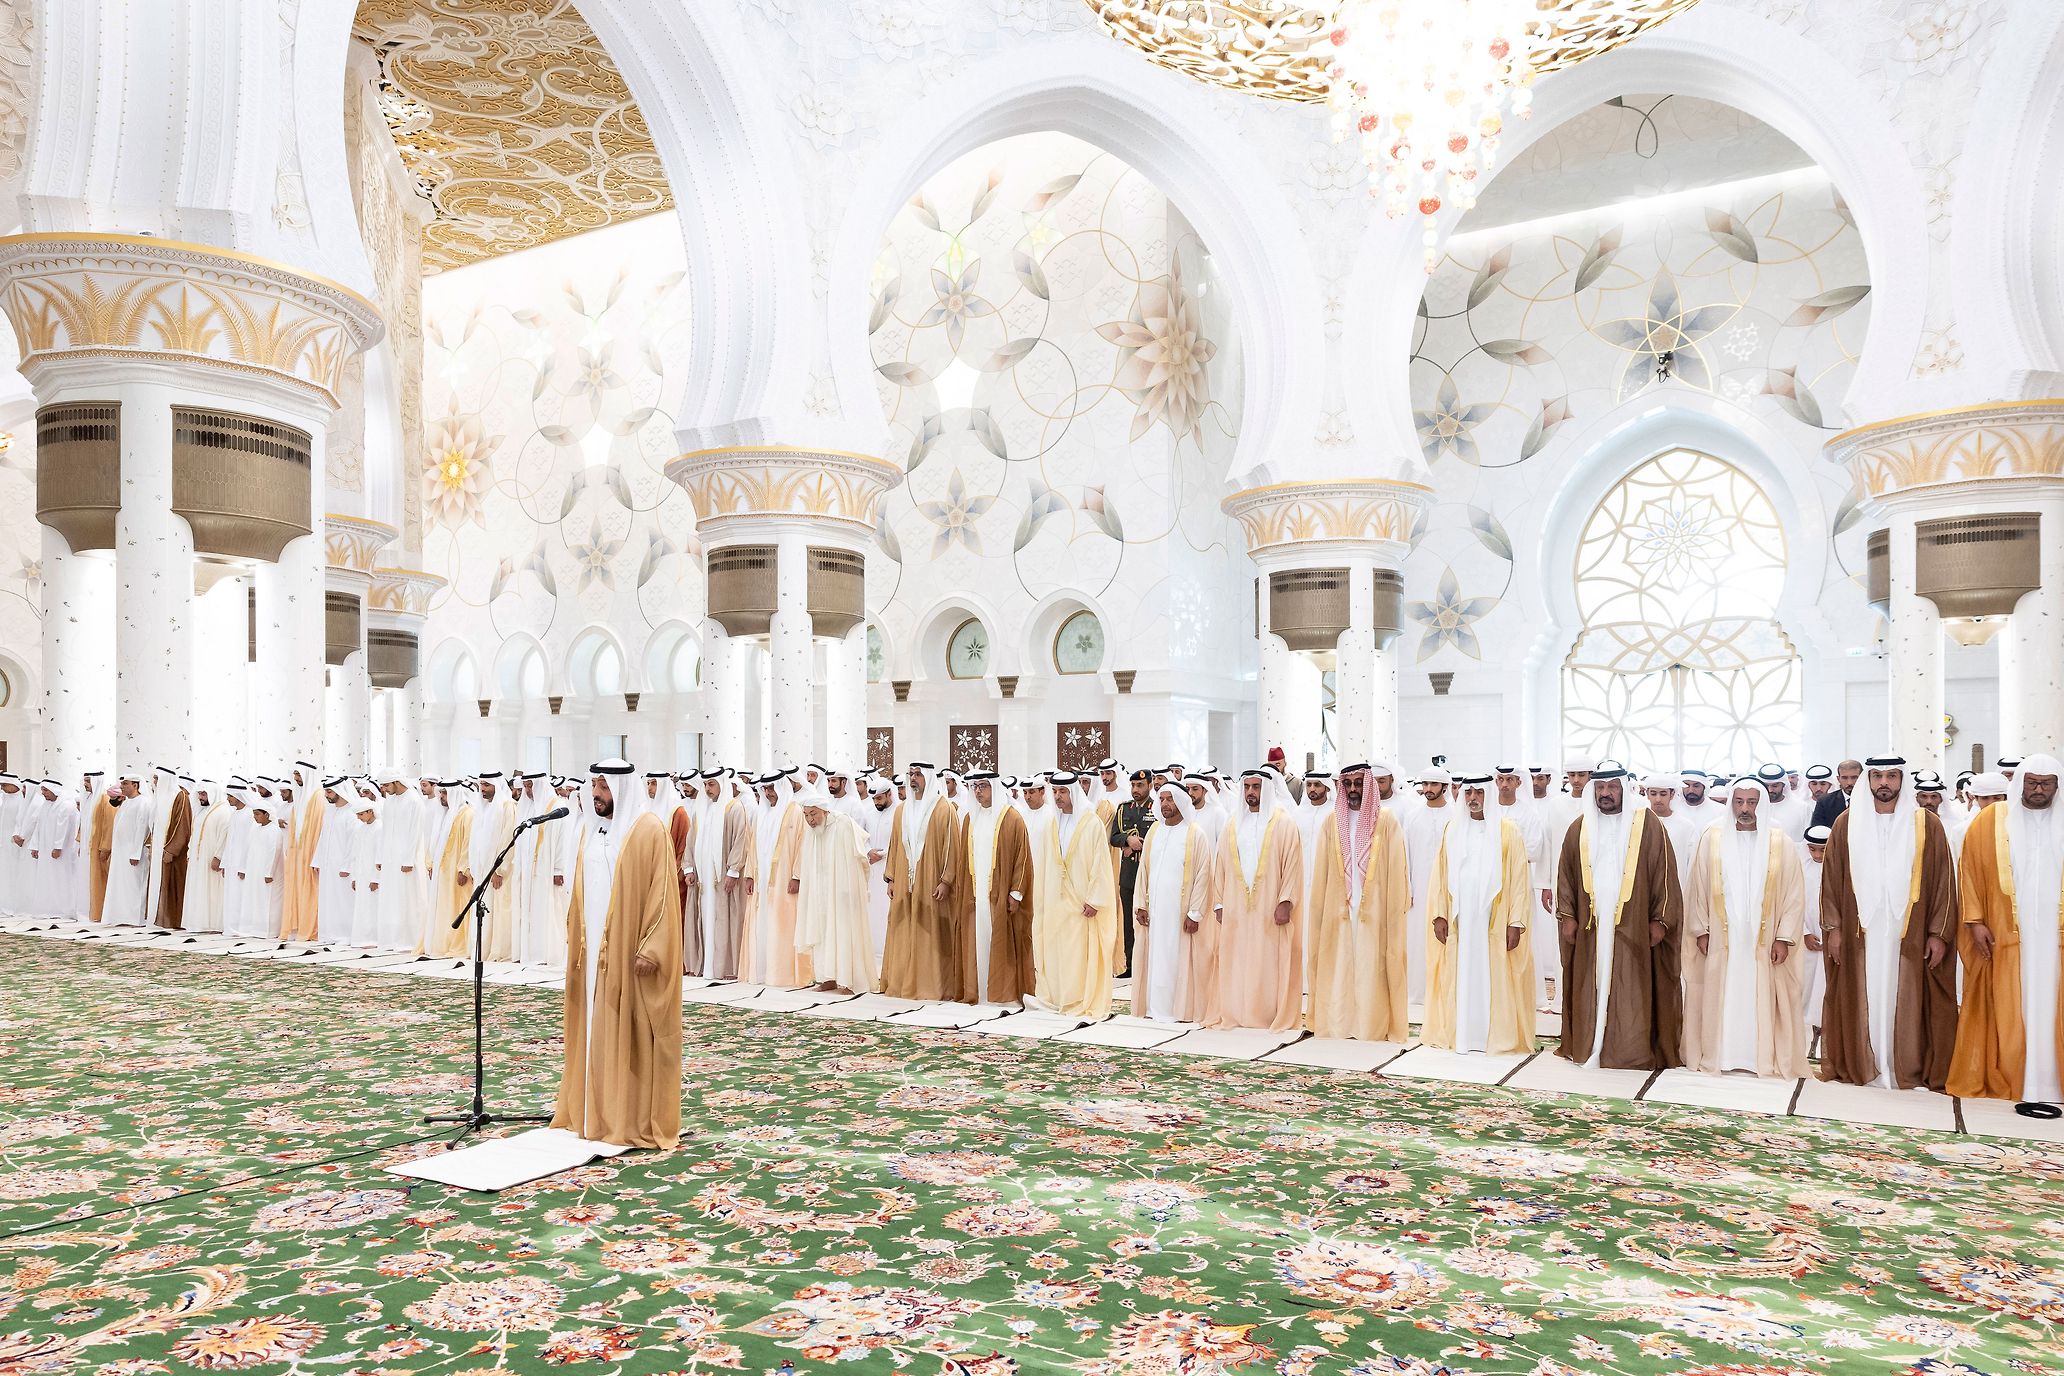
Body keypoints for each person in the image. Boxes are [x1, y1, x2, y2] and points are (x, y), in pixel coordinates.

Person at [552, 760, 682, 1150]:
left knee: (630, 1029)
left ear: (622, 790)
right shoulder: (591, 830)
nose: (596, 795)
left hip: (630, 952)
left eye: (604, 789)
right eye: (594, 787)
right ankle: (592, 1111)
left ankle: (628, 1115)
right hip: (591, 956)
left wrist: (651, 947)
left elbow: (662, 892)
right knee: (593, 1025)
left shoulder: (648, 829)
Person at [1817, 755, 1959, 1091]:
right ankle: (1862, 1062)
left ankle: (1904, 1067)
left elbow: (1943, 884)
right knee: (1861, 992)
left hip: (1908, 931)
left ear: (1902, 780)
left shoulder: (1927, 824)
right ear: (1867, 781)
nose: (1885, 783)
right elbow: (1831, 882)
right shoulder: (1846, 823)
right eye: (1878, 776)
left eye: (1892, 776)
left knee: (1906, 996)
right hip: (1858, 932)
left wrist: (1937, 933)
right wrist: (1833, 929)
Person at [1554, 761, 1684, 1071]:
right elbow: (1566, 875)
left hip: (1634, 922)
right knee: (1592, 983)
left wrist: (1660, 920)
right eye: (1600, 787)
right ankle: (1589, 1044)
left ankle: (1629, 1050)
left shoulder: (1648, 825)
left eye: (1612, 787)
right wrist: (1568, 916)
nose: (1606, 793)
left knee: (1631, 985)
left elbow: (1664, 875)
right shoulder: (1579, 827)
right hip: (1591, 923)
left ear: (1624, 789)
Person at [1949, 754, 2063, 1104]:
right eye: (2032, 782)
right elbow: (1969, 871)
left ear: (2057, 786)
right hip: (2007, 934)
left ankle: (2051, 1083)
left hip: (2055, 938)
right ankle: (2014, 1078)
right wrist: (1975, 920)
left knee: (2050, 1004)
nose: (2039, 789)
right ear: (2019, 783)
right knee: (2013, 1004)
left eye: (2046, 783)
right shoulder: (1993, 820)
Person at [1682, 778, 1807, 1079]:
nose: (1745, 808)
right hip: (1722, 938)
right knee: (1720, 993)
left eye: (1752, 802)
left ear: (1761, 804)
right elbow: (1697, 885)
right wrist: (1701, 929)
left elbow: (1794, 895)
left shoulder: (1781, 842)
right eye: (1739, 802)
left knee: (1759, 994)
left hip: (1763, 940)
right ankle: (1719, 1055)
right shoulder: (1711, 838)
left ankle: (1759, 1057)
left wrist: (1784, 937)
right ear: (1731, 803)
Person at [1423, 773, 1536, 1055]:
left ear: (1489, 794)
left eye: (1479, 793)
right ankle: (1462, 1032)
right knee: (1460, 971)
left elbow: (1520, 880)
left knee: (1493, 973)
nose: (1473, 798)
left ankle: (1492, 1034)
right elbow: (1439, 875)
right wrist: (1439, 915)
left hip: (1494, 919)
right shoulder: (1452, 829)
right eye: (1469, 793)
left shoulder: (1508, 830)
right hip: (1460, 919)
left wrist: (1516, 921)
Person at [1306, 763, 1410, 1041]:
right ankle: (1338, 1023)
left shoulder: (1386, 821)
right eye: (1348, 784)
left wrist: (1393, 907)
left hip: (1374, 908)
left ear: (1369, 786)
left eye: (1358, 783)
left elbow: (1398, 868)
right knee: (1338, 964)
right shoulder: (1332, 821)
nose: (1353, 789)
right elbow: (1322, 872)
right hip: (1337, 907)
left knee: (1370, 966)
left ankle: (1369, 1024)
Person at [1209, 767, 1305, 1033]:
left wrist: (1285, 900)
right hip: (1236, 906)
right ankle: (1238, 1012)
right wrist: (1219, 903)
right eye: (1248, 788)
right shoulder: (1232, 823)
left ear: (1268, 789)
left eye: (1257, 787)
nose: (1251, 793)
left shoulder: (1284, 823)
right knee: (1238, 957)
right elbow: (1221, 866)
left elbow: (1292, 865)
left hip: (1271, 907)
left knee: (1269, 959)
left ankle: (1266, 1014)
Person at [1031, 772, 1119, 1018]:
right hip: (1056, 901)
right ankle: (1059, 996)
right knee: (1057, 948)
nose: (1058, 797)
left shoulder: (1091, 823)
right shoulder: (1053, 823)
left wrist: (1095, 899)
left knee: (1078, 952)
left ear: (1073, 792)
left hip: (1082, 903)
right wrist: (1043, 896)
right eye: (1055, 792)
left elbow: (1100, 865)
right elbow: (1046, 862)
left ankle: (1078, 997)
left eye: (1063, 792)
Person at [882, 763, 965, 1000]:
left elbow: (953, 848)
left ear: (929, 777)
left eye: (918, 775)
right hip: (904, 885)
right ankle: (901, 982)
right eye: (911, 775)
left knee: (932, 934)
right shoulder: (902, 810)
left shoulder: (943, 809)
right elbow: (895, 845)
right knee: (903, 930)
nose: (914, 779)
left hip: (932, 885)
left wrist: (946, 881)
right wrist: (891, 879)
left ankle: (932, 985)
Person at [1134, 783, 1210, 1023]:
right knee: (1155, 958)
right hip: (1155, 911)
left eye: (1170, 799)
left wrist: (1195, 912)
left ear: (1181, 802)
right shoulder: (1154, 831)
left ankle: (1179, 1010)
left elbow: (1203, 874)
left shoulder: (1195, 833)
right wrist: (1141, 905)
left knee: (1176, 959)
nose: (1165, 804)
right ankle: (1153, 1008)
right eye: (1162, 799)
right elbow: (1143, 872)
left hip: (1180, 913)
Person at [790, 787, 877, 995]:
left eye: (813, 814)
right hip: (820, 894)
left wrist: (851, 890)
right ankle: (826, 978)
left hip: (841, 893)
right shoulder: (812, 832)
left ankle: (848, 981)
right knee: (821, 933)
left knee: (843, 933)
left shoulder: (843, 823)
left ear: (824, 811)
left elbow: (859, 857)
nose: (810, 820)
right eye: (806, 815)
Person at [960, 772, 1034, 1005]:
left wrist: (1016, 892)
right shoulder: (970, 819)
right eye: (975, 787)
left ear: (994, 787)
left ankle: (1002, 993)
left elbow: (1023, 859)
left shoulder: (1012, 818)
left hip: (1000, 895)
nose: (979, 791)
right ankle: (978, 990)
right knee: (977, 941)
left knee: (999, 941)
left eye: (983, 786)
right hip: (976, 895)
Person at [685, 770, 752, 979]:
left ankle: (725, 967)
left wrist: (733, 871)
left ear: (722, 784)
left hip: (723, 878)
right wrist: (689, 868)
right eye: (705, 785)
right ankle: (706, 965)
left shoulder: (734, 809)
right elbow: (691, 841)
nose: (707, 789)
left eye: (711, 784)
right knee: (705, 919)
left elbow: (741, 841)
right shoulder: (700, 811)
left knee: (724, 919)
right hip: (703, 880)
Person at [1399, 766, 1453, 1002]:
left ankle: (1445, 992)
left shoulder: (1456, 815)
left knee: (1447, 937)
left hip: (1449, 889)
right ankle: (1418, 992)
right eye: (1426, 785)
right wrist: (1408, 888)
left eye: (1433, 785)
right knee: (1418, 939)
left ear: (1444, 787)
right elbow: (1405, 855)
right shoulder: (1412, 816)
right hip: (1419, 888)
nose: (1428, 790)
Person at [464, 774, 518, 959]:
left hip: (497, 872)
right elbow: (474, 840)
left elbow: (508, 840)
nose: (483, 789)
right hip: (481, 870)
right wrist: (472, 866)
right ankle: (482, 949)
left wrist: (499, 870)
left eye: (487, 785)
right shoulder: (481, 808)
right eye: (481, 785)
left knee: (498, 911)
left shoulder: (506, 807)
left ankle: (498, 951)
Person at [1108, 769, 1154, 975]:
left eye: (1140, 786)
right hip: (1128, 874)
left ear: (1150, 786)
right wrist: (1127, 840)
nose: (1136, 790)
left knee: (1151, 919)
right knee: (1129, 920)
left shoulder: (1158, 808)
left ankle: (1150, 963)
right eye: (1133, 785)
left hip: (1150, 873)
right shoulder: (1123, 808)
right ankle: (1131, 964)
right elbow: (1113, 837)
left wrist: (1140, 845)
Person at [280, 761, 326, 940]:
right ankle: (296, 926)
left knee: (310, 890)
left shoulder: (318, 798)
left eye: (299, 775)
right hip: (297, 855)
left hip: (311, 854)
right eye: (295, 775)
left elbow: (319, 830)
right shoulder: (299, 799)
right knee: (296, 889)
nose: (296, 779)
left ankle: (310, 928)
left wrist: (316, 856)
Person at [102, 776, 151, 926]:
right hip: (121, 852)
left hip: (134, 852)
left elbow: (142, 829)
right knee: (121, 885)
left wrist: (135, 852)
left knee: (135, 886)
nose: (121, 786)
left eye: (125, 784)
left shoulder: (144, 802)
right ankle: (121, 916)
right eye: (122, 783)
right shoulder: (127, 802)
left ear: (135, 785)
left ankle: (135, 918)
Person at [150, 773, 194, 930]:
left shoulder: (180, 796)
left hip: (171, 852)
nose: (154, 781)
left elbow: (183, 825)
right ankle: (154, 917)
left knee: (172, 885)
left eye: (157, 778)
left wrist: (171, 850)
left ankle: (171, 919)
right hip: (156, 849)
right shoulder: (158, 797)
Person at [1800, 822, 1829, 1041]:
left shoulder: (1841, 867)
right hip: (1804, 939)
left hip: (1830, 938)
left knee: (1825, 989)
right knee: (1804, 989)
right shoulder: (1799, 867)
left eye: (1823, 849)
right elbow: (1791, 902)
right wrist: (1804, 932)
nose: (1817, 854)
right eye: (1812, 849)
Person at [82, 772, 115, 922]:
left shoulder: (104, 799)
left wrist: (105, 848)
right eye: (85, 781)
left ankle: (100, 912)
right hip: (87, 847)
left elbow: (109, 826)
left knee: (99, 880)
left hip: (99, 848)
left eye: (88, 781)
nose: (85, 784)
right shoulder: (88, 799)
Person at [1810, 759, 1864, 831]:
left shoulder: (1871, 800)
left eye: (1854, 777)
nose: (1849, 782)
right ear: (1838, 779)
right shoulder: (1824, 802)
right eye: (1844, 778)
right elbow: (1818, 830)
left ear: (1862, 778)